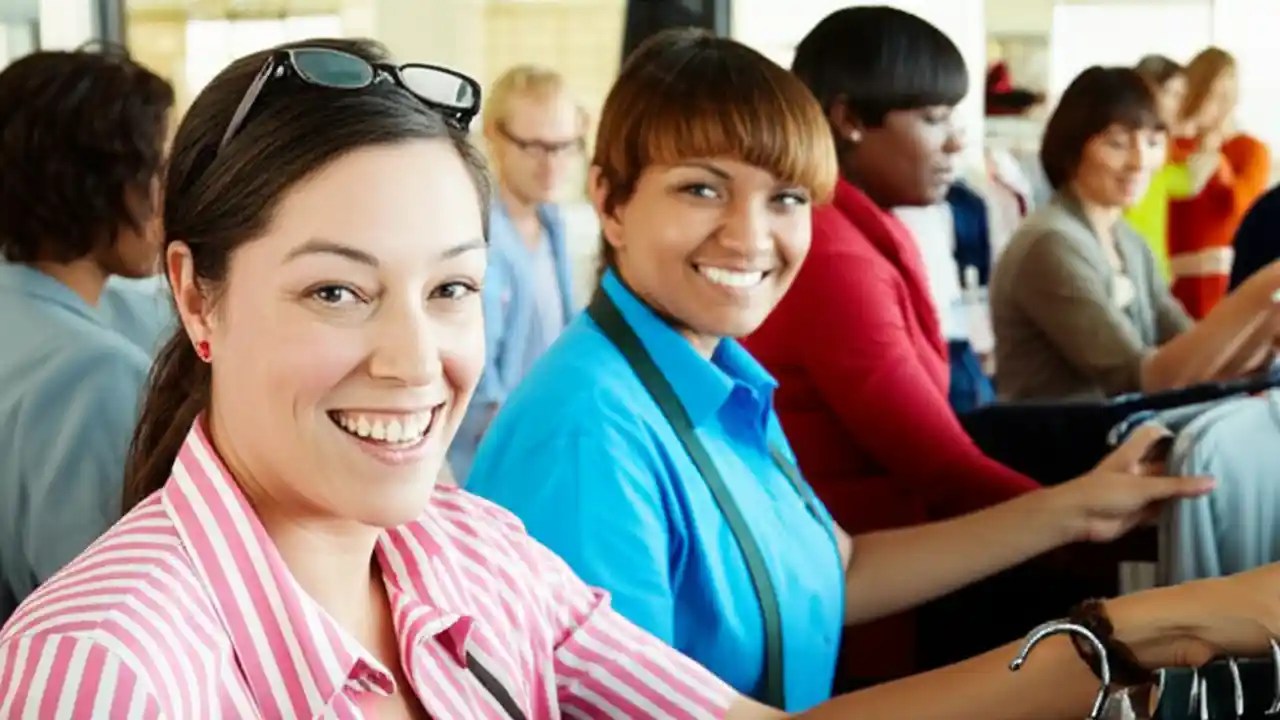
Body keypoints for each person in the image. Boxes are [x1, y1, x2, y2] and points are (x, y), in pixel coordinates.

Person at [5, 32, 1280, 720]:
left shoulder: (467, 553)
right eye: (335, 290)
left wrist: (1145, 630)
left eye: (450, 290)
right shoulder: (112, 666)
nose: (413, 361)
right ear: (195, 294)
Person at [463, 27, 1280, 716]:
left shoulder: (715, 375)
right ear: (610, 202)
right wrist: (1128, 633)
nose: (750, 237)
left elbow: (837, 571)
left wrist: (1074, 510)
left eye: (787, 198)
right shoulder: (588, 430)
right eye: (702, 189)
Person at [739, 6, 1044, 681]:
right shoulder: (834, 254)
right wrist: (1091, 527)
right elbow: (939, 465)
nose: (955, 142)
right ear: (849, 118)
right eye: (933, 118)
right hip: (851, 595)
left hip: (861, 573)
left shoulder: (853, 230)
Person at [0, 48, 173, 622]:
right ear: (95, 182)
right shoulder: (92, 375)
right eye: (157, 169)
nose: (168, 196)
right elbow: (105, 616)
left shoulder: (30, 311)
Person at [991, 66, 1280, 403]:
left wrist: (1267, 322)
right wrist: (1264, 287)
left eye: (1153, 142)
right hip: (1064, 433)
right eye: (1117, 144)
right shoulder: (1051, 243)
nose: (1140, 161)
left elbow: (1194, 352)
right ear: (1071, 149)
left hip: (1123, 427)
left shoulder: (1129, 241)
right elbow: (1138, 377)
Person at [448, 65, 583, 482]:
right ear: (495, 135)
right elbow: (479, 386)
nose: (551, 165)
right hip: (497, 460)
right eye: (534, 147)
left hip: (546, 442)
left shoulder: (553, 224)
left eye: (564, 147)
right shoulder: (476, 235)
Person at [1168, 47, 1270, 318]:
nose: (1217, 106)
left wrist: (1217, 164)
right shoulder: (1169, 148)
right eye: (1208, 95)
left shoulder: (1250, 150)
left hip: (1228, 286)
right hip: (1171, 285)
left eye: (1225, 96)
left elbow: (1243, 209)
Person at [1125, 54, 1219, 281]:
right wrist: (1209, 148)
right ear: (1150, 89)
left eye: (1182, 96)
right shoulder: (1139, 145)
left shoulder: (1161, 145)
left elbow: (1184, 183)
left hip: (1152, 271)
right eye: (1173, 94)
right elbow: (1187, 182)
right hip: (1132, 266)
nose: (1180, 104)